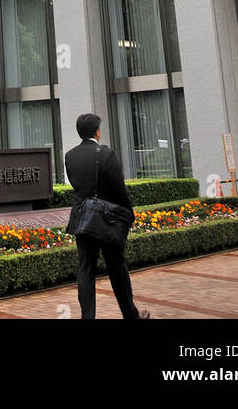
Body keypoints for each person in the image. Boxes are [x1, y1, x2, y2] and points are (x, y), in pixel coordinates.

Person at [64, 112, 149, 321]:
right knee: (117, 268)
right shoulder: (106, 154)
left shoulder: (70, 156)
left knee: (86, 269)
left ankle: (87, 317)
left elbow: (78, 187)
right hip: (106, 220)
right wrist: (129, 212)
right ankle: (131, 315)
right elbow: (119, 189)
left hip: (82, 220)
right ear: (97, 132)